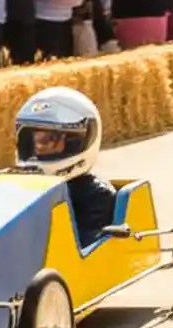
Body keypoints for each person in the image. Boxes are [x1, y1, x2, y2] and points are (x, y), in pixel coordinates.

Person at [12, 87, 116, 247]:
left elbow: (78, 253)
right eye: (37, 139)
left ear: (73, 142)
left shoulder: (96, 196)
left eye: (49, 139)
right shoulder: (25, 189)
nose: (40, 147)